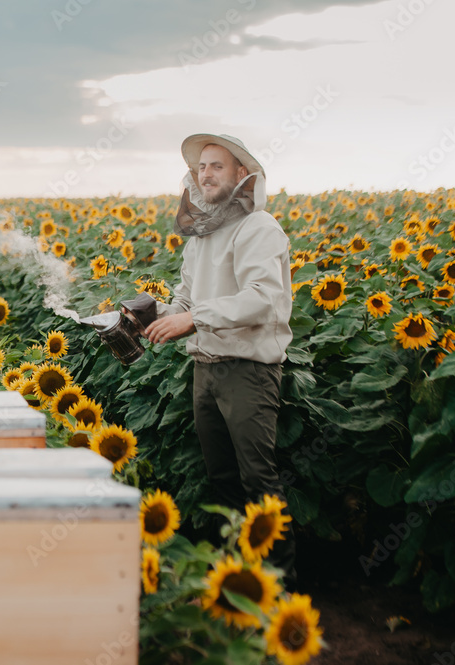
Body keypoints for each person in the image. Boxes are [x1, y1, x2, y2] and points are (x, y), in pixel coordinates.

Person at [143, 134, 296, 588]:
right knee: (222, 479)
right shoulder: (202, 232)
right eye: (201, 168)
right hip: (205, 369)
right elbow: (187, 298)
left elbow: (263, 300)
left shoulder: (258, 228)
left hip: (248, 371)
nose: (205, 174)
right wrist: (149, 316)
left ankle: (279, 588)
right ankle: (236, 581)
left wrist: (193, 319)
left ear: (241, 175)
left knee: (258, 482)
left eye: (216, 166)